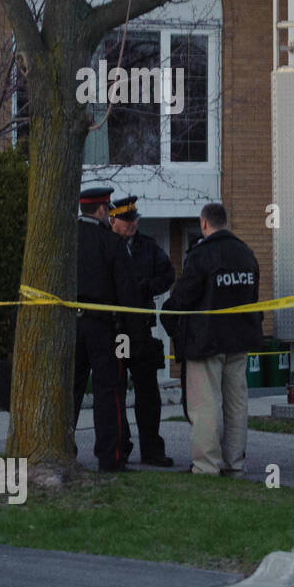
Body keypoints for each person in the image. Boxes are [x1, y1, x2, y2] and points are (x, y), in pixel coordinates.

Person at [162, 203, 262, 476]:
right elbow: (252, 300)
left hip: (205, 342)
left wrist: (167, 317)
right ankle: (234, 463)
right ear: (225, 222)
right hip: (239, 341)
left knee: (205, 405)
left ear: (204, 224)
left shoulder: (202, 255)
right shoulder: (246, 254)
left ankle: (206, 466)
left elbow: (183, 296)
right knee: (236, 405)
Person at [72, 186, 147, 471]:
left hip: (71, 326)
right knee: (109, 392)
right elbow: (128, 294)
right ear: (103, 210)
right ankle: (110, 456)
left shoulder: (66, 239)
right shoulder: (111, 243)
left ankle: (63, 448)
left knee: (70, 391)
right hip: (106, 328)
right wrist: (135, 337)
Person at [110, 195, 176, 467]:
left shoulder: (147, 247)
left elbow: (168, 275)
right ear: (113, 220)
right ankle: (119, 447)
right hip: (114, 329)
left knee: (148, 391)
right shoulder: (105, 245)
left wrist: (148, 286)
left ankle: (151, 449)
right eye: (127, 221)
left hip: (140, 328)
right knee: (114, 390)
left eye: (134, 220)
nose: (132, 225)